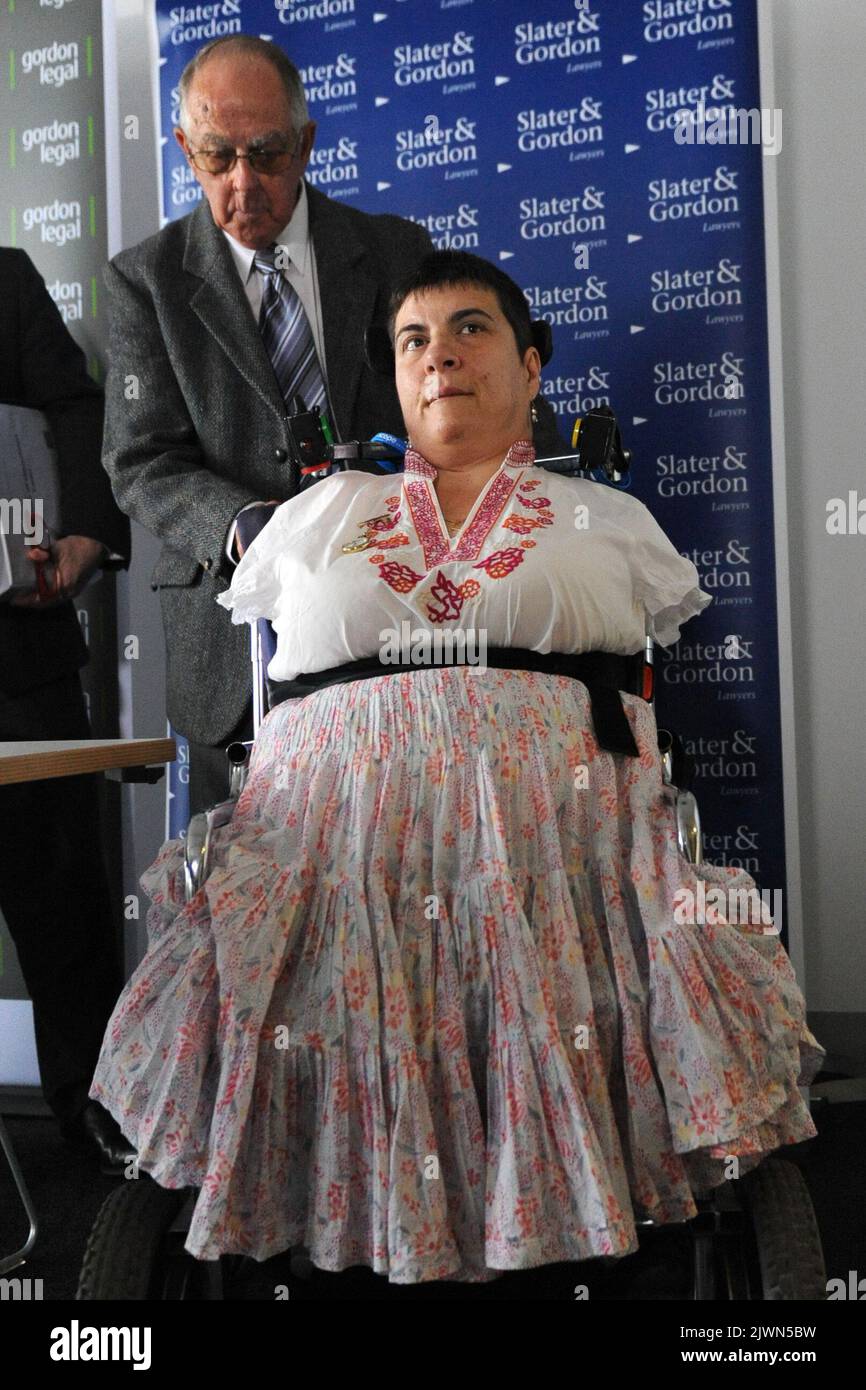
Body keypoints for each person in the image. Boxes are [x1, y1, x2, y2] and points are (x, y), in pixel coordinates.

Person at [90, 251, 823, 1284]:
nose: (440, 358)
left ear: (529, 367)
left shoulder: (610, 523)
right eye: (413, 341)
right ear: (393, 379)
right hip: (330, 851)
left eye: (469, 330)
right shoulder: (314, 518)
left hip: (559, 845)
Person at [100, 35, 567, 818]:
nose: (243, 183)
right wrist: (245, 525)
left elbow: (459, 393)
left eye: (268, 153)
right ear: (184, 148)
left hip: (402, 633)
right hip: (235, 652)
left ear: (307, 142)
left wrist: (525, 466)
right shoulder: (142, 282)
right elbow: (139, 459)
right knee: (251, 911)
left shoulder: (392, 250)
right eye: (217, 158)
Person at [0, 247, 134, 1169]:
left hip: (19, 660)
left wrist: (84, 526)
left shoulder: (2, 278)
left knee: (65, 925)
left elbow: (77, 404)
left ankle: (102, 1159)